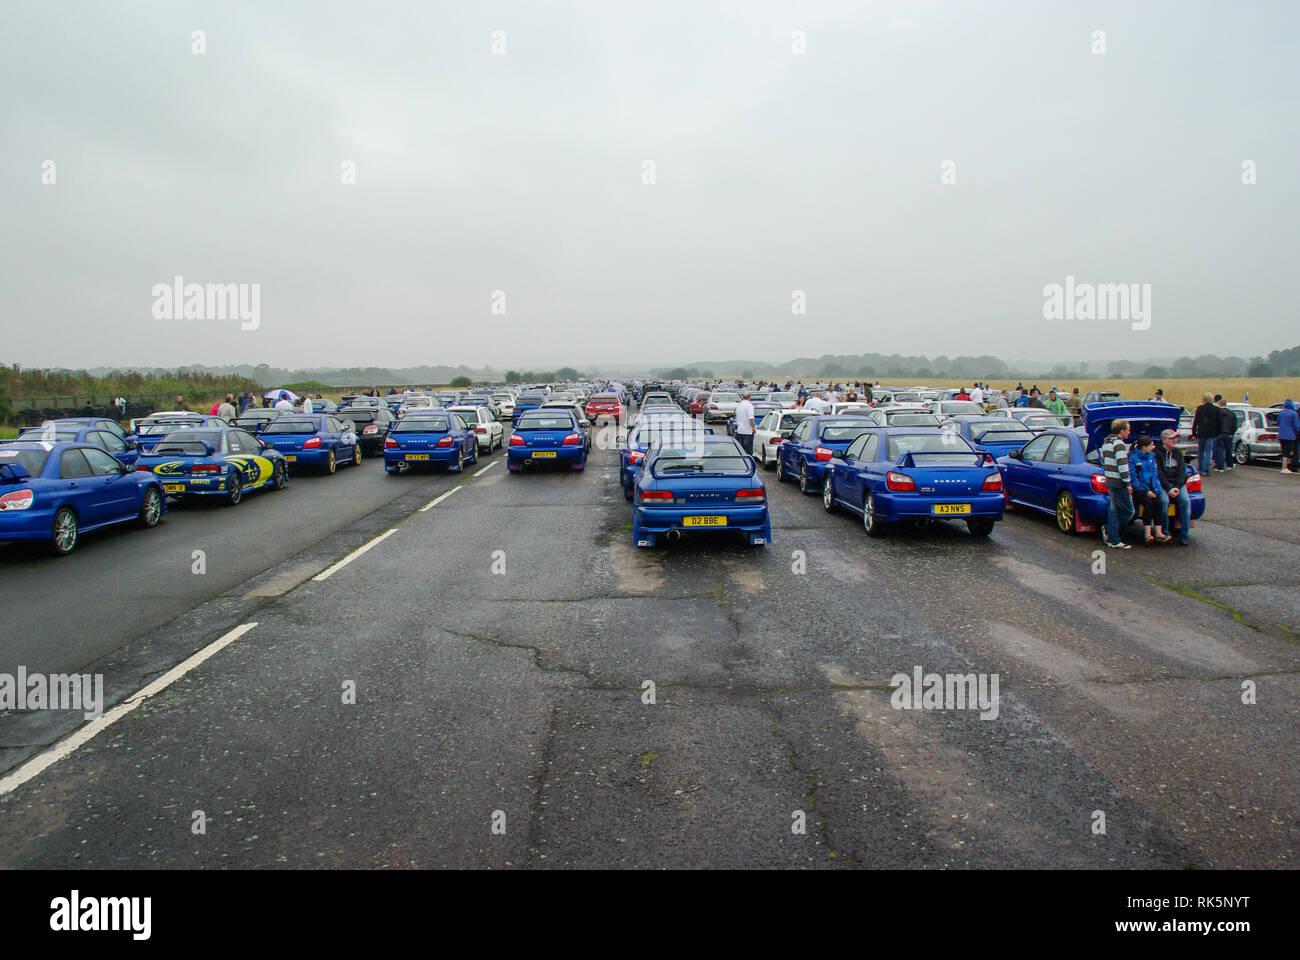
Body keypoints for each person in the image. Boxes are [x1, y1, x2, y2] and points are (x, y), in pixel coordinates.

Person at [1129, 436, 1169, 544]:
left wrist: (1156, 490)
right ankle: (1147, 534)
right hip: (1139, 490)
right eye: (1151, 446)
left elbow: (1154, 475)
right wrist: (1146, 491)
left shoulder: (1152, 457)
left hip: (1152, 489)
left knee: (1159, 502)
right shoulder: (1133, 457)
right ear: (1144, 447)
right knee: (1148, 504)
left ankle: (1159, 533)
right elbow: (1134, 477)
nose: (1153, 447)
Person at [1101, 419, 1134, 549]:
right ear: (1122, 431)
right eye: (1128, 430)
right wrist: (1128, 484)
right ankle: (1111, 533)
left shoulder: (1106, 443)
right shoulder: (1119, 444)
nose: (1129, 432)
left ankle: (1112, 537)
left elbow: (1104, 461)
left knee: (1113, 510)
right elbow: (1122, 466)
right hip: (1119, 482)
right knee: (1129, 510)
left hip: (1110, 481)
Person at [1157, 429, 1191, 545]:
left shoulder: (1178, 453)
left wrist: (1177, 487)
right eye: (1172, 438)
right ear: (1164, 439)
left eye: (1176, 438)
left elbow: (1182, 472)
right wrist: (1168, 488)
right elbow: (1158, 473)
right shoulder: (1157, 453)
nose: (1175, 440)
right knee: (1164, 501)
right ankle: (1165, 533)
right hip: (1163, 484)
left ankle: (1184, 535)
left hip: (1177, 484)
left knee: (1185, 501)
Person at [1192, 392, 1218, 476]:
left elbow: (1195, 422)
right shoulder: (1216, 410)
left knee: (1201, 451)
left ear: (1204, 399)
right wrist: (1218, 433)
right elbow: (1219, 423)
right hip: (1211, 434)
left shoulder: (1200, 409)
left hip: (1201, 433)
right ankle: (1206, 470)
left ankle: (1201, 468)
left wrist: (1194, 432)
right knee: (1208, 452)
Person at [1214, 396, 1235, 471]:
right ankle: (1230, 465)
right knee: (1228, 450)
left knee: (1219, 451)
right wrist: (1231, 433)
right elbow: (1234, 424)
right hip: (1228, 434)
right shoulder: (1231, 413)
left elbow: (1215, 424)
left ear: (1219, 404)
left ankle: (1219, 467)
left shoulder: (1217, 413)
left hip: (1219, 434)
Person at [1278, 398, 1299, 474]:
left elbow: (1278, 422)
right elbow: (1296, 426)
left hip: (1281, 435)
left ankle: (1283, 467)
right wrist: (1296, 433)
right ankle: (1287, 467)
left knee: (1284, 452)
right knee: (1290, 451)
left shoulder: (1281, 413)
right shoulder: (1293, 413)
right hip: (1290, 436)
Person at [733, 390, 756, 455]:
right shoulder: (749, 406)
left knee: (741, 451)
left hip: (739, 431)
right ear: (749, 398)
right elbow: (751, 419)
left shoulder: (739, 406)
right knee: (748, 452)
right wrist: (754, 428)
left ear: (743, 397)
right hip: (747, 432)